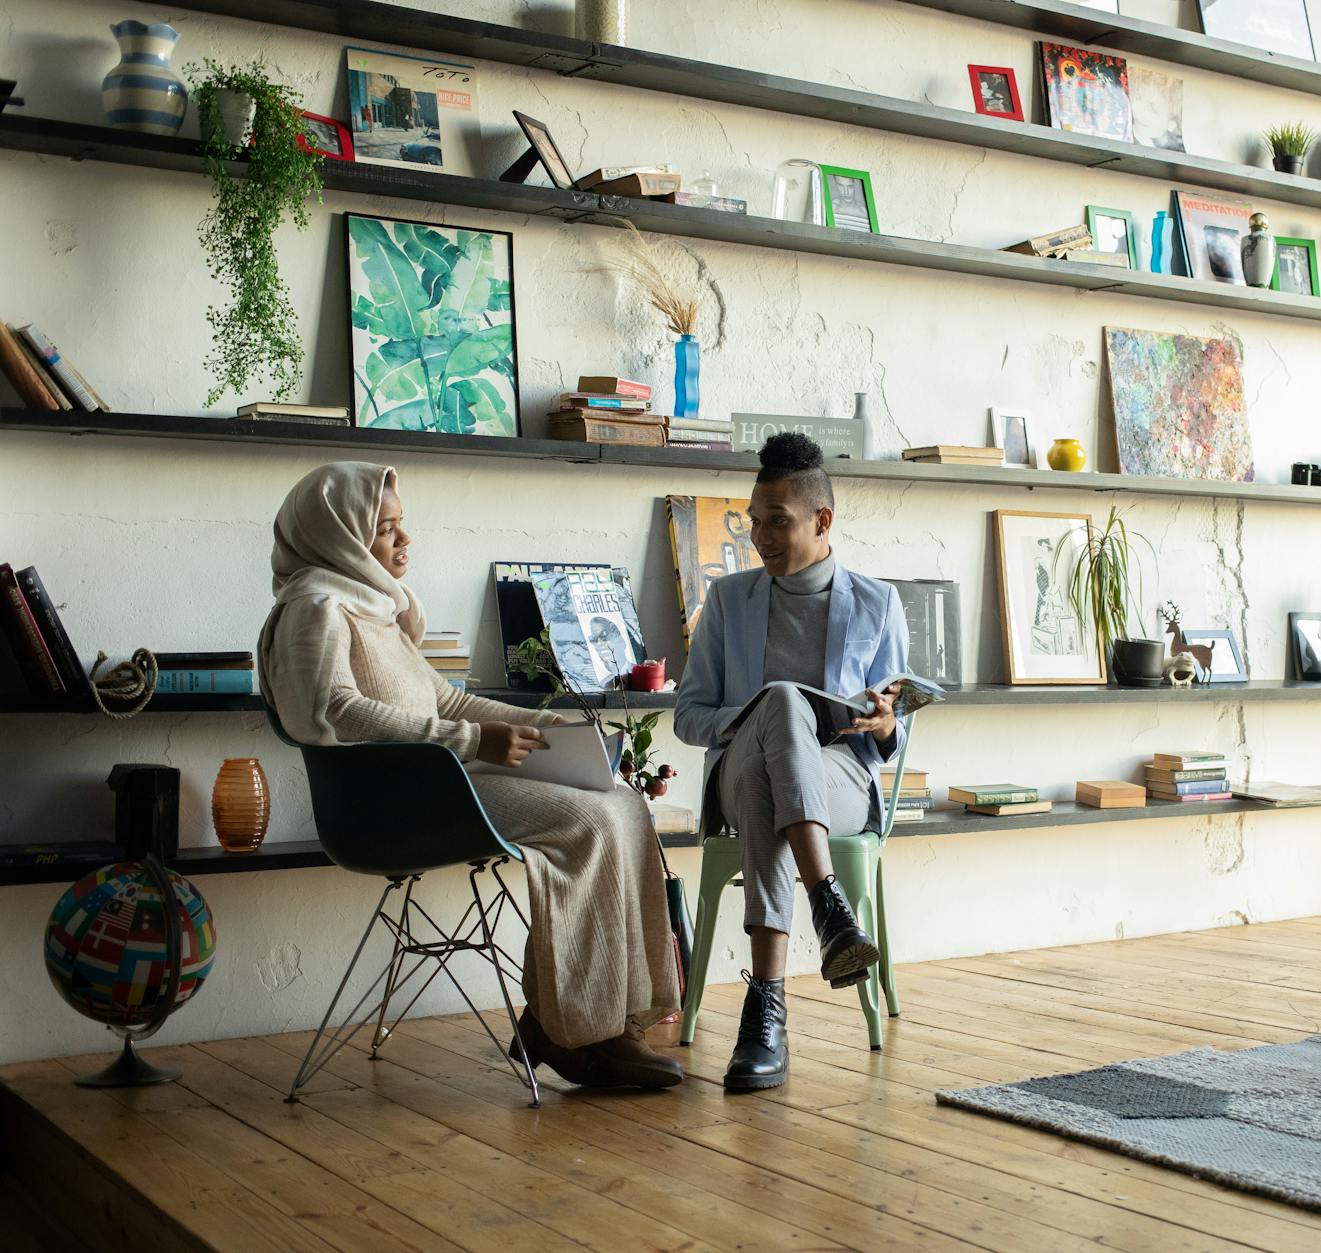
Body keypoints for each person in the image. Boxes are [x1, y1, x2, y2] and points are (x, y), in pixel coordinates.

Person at [257, 462, 682, 1089]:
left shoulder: (373, 607)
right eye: (384, 529)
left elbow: (447, 700)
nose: (405, 541)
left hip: (438, 782)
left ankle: (592, 1020)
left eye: (404, 525)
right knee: (586, 821)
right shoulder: (315, 609)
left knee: (620, 801)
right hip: (392, 803)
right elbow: (332, 712)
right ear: (338, 534)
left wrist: (550, 730)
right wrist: (472, 740)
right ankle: (580, 1035)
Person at [675, 433, 909, 1091]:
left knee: (772, 785)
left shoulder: (878, 603)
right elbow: (689, 715)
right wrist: (753, 717)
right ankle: (828, 905)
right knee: (775, 712)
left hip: (837, 778)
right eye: (753, 520)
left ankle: (766, 1012)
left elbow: (894, 733)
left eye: (776, 521)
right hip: (741, 767)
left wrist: (886, 722)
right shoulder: (728, 600)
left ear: (821, 520)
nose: (760, 536)